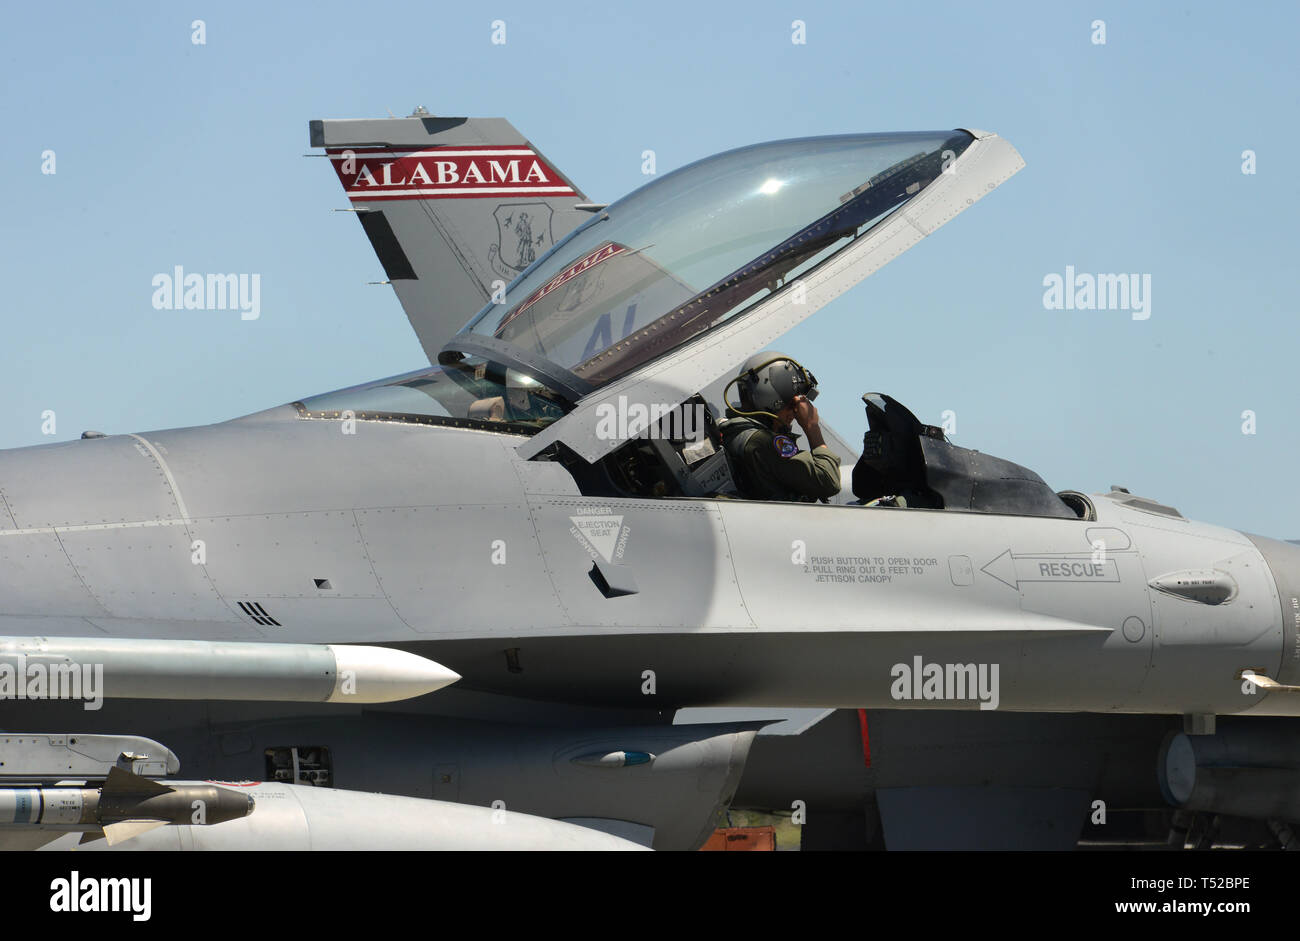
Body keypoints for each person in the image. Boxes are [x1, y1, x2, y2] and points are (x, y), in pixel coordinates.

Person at [718, 352, 841, 502]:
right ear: (771, 399)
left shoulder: (732, 431)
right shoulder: (763, 442)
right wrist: (812, 428)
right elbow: (828, 482)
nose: (796, 413)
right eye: (791, 404)